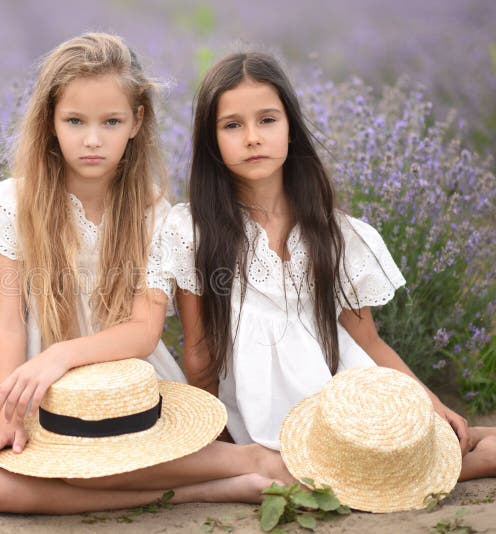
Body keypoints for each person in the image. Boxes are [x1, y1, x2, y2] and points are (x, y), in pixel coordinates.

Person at [0, 33, 291, 515]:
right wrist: (7, 416)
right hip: (35, 390)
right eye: (74, 121)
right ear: (50, 122)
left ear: (137, 121)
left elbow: (143, 330)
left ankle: (252, 457)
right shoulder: (7, 205)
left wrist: (62, 355)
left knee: (112, 451)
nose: (92, 139)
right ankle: (218, 483)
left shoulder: (152, 213)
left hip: (125, 385)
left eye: (111, 121)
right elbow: (7, 321)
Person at [151, 51, 496, 481]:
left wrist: (429, 400)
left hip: (345, 400)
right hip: (261, 418)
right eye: (232, 125)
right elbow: (199, 353)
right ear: (212, 141)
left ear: (291, 128)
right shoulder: (193, 230)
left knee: (401, 451)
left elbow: (368, 343)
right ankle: (470, 452)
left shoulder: (336, 233)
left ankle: (458, 444)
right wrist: (210, 433)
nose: (252, 137)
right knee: (330, 473)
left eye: (267, 120)